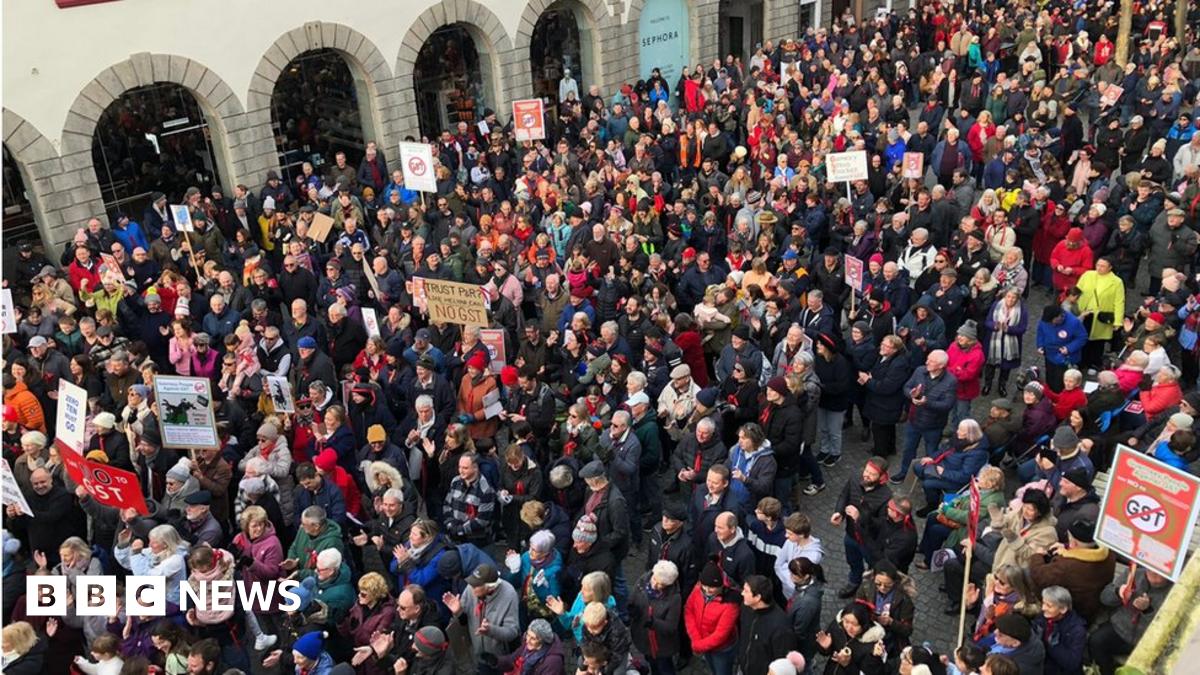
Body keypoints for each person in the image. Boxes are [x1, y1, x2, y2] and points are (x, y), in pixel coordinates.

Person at [832, 457, 893, 598]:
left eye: (872, 474)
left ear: (881, 477)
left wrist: (860, 517)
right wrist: (838, 512)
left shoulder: (886, 496)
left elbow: (882, 524)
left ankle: (871, 590)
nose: (866, 475)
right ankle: (854, 582)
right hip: (851, 534)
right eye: (866, 471)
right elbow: (844, 496)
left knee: (873, 567)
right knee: (853, 561)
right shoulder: (855, 478)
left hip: (870, 541)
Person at [736, 575, 797, 675]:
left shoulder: (781, 628)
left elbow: (782, 663)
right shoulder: (746, 607)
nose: (742, 593)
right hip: (743, 668)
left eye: (746, 591)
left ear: (758, 597)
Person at [814, 602, 886, 675]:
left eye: (854, 624)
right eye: (846, 621)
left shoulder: (873, 645)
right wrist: (826, 648)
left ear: (864, 625)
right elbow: (827, 653)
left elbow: (872, 672)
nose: (849, 627)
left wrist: (847, 665)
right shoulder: (838, 626)